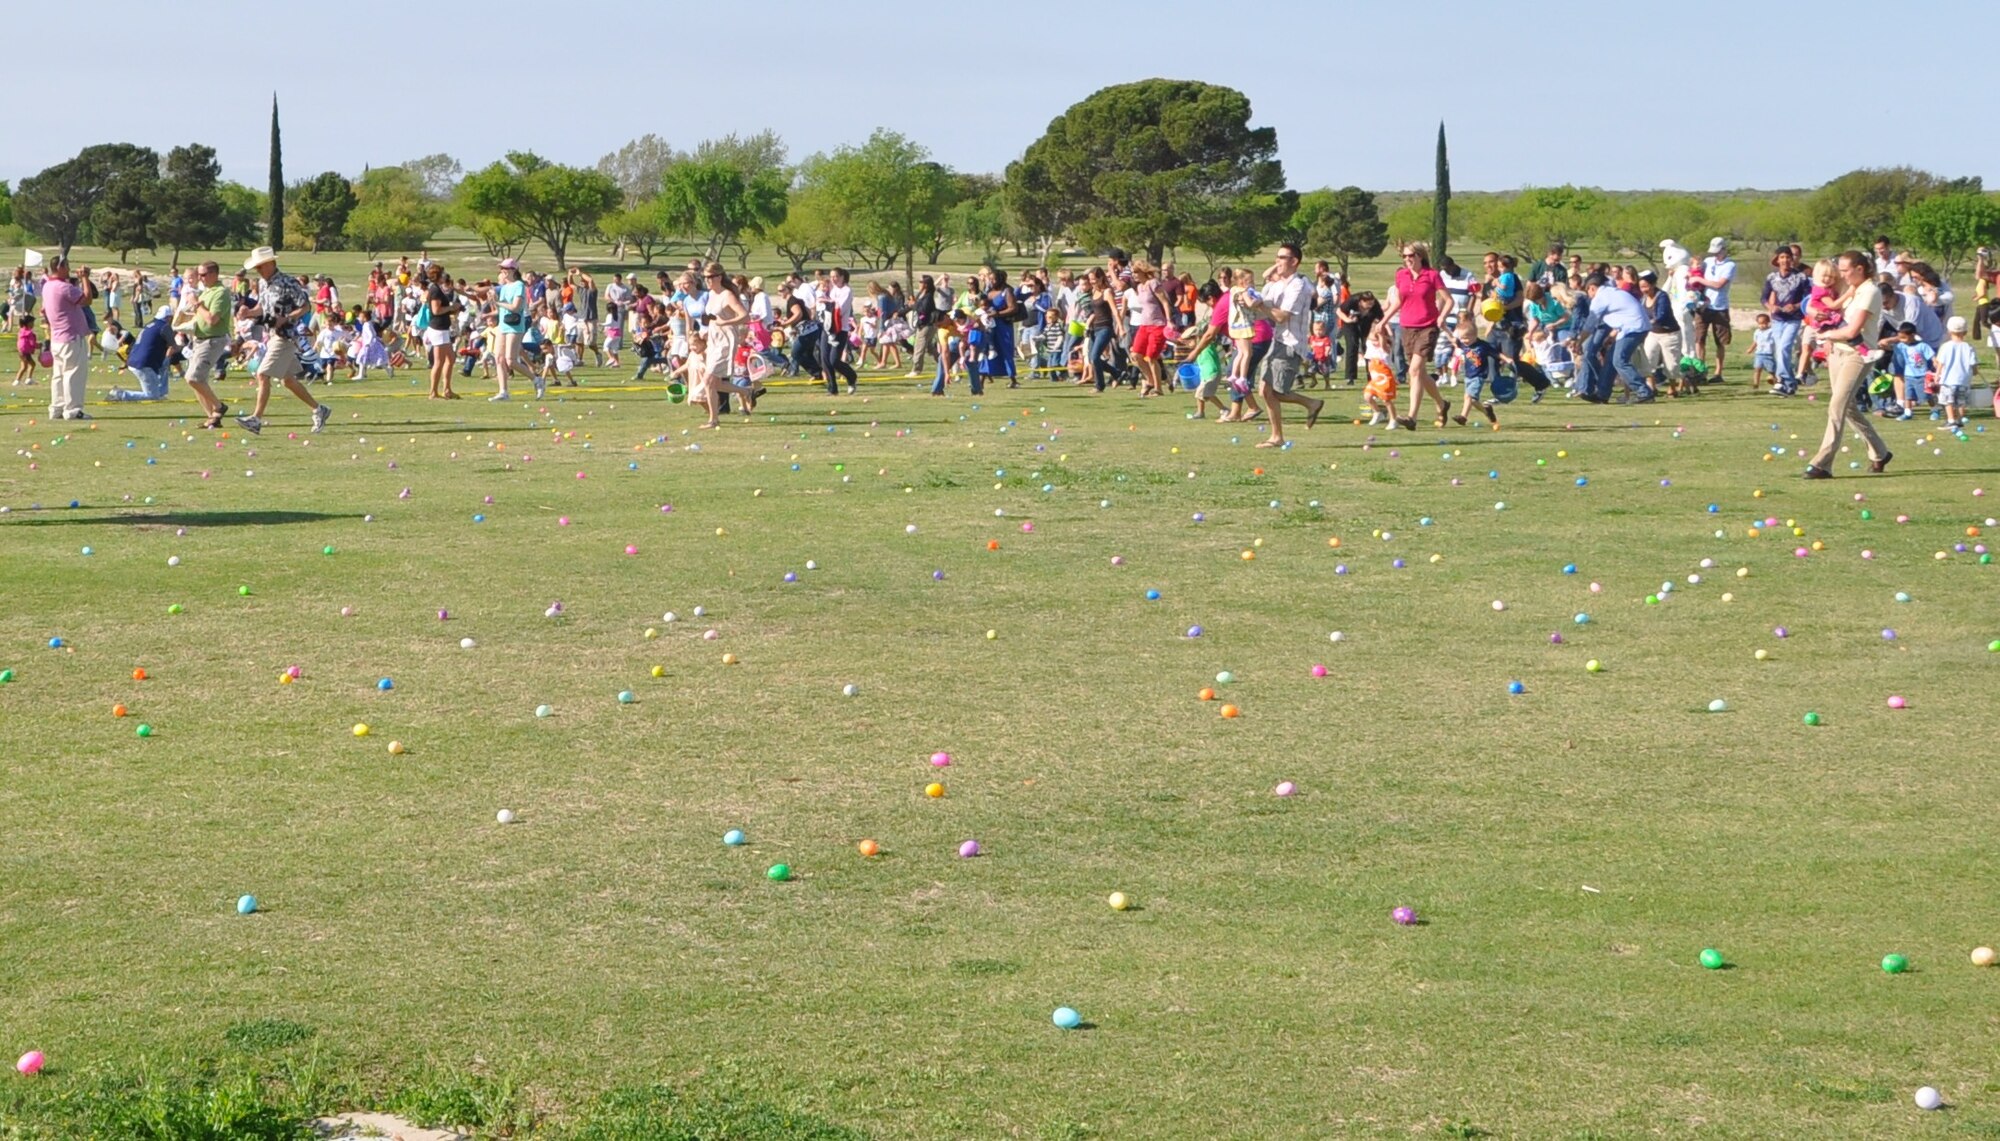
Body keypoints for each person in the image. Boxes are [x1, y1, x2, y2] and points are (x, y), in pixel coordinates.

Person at [1804, 250, 1893, 479]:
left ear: (1859, 269)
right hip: (1837, 353)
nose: (1841, 275)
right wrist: (1818, 316)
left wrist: (1828, 335)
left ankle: (1822, 463)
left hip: (1857, 354)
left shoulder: (1870, 292)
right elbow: (1815, 306)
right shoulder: (1848, 289)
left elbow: (1854, 330)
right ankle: (1879, 452)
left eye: (1845, 270)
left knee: (1836, 406)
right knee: (1848, 407)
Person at [234, 247, 330, 434]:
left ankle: (256, 419)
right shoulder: (263, 283)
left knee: (262, 374)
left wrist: (286, 318)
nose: (259, 270)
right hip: (271, 334)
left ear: (271, 263)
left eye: (261, 266)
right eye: (257, 268)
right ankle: (319, 409)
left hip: (286, 336)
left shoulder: (288, 282)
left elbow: (304, 307)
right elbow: (262, 308)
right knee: (288, 381)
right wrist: (248, 313)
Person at [1377, 241, 1454, 430]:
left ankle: (1412, 417)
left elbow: (1449, 300)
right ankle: (1442, 404)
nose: (1407, 260)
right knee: (1420, 373)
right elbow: (1398, 302)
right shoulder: (1401, 275)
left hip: (1428, 327)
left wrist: (1441, 317)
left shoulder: (1432, 275)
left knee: (1414, 371)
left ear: (1420, 256)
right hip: (1407, 327)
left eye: (1410, 256)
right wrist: (1383, 321)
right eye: (1404, 256)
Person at [172, 261, 232, 427]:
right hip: (199, 339)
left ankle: (219, 407)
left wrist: (197, 304)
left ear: (214, 274)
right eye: (199, 274)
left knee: (193, 378)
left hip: (212, 340)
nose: (200, 278)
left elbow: (212, 319)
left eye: (203, 274)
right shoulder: (206, 292)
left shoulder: (220, 293)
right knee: (197, 381)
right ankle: (212, 418)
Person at [39, 257, 96, 420]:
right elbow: (87, 299)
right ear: (60, 267)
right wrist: (85, 278)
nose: (69, 269)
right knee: (74, 374)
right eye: (67, 266)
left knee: (59, 375)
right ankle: (72, 410)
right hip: (71, 337)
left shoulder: (47, 286)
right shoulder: (65, 288)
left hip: (57, 338)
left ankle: (57, 407)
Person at [1582, 273, 1652, 403]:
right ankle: (1602, 395)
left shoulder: (1600, 298)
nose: (1588, 295)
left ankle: (1644, 391)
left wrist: (1578, 341)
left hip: (1633, 328)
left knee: (1620, 361)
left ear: (1592, 288)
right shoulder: (1612, 293)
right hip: (1633, 327)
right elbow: (1621, 314)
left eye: (1588, 291)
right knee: (1610, 360)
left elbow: (1590, 324)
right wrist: (1611, 335)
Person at [1762, 248, 1809, 393]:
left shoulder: (1801, 277)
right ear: (1777, 260)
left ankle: (1781, 380)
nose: (1785, 260)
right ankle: (1790, 383)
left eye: (1788, 257)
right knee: (1780, 350)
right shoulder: (1772, 277)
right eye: (1782, 257)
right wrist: (1771, 306)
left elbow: (1808, 298)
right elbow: (1763, 297)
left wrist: (1795, 306)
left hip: (1793, 319)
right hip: (1777, 318)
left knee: (1784, 347)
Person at [1690, 237, 1737, 377]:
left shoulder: (1730, 265)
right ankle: (1701, 370)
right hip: (1703, 306)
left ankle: (1718, 373)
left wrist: (1699, 280)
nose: (1715, 254)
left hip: (1720, 307)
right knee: (1699, 339)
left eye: (1718, 251)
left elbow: (1718, 284)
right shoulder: (1708, 262)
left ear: (1724, 249)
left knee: (1720, 341)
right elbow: (1695, 270)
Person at [109, 305, 173, 400]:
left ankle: (161, 394)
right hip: (142, 365)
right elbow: (173, 347)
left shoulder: (150, 324)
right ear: (169, 317)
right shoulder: (164, 327)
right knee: (152, 395)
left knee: (163, 369)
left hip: (134, 360)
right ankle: (120, 394)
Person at [1448, 321, 1500, 428]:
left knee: (1469, 397)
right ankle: (1487, 412)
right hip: (1468, 376)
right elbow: (1453, 340)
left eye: (1466, 338)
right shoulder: (1463, 345)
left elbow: (1496, 353)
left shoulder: (1483, 346)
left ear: (1475, 335)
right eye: (1462, 338)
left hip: (1479, 376)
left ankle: (1463, 417)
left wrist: (1507, 359)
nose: (1464, 341)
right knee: (1473, 401)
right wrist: (1444, 327)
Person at [422, 265, 461, 399]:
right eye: (443, 273)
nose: (445, 275)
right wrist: (451, 307)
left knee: (451, 358)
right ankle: (433, 392)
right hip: (438, 329)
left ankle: (447, 389)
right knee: (439, 361)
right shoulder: (435, 291)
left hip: (442, 328)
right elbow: (436, 310)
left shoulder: (437, 289)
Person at [1935, 315, 1978, 430]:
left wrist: (1937, 376)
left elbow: (1940, 363)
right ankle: (1959, 419)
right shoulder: (1969, 347)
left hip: (1948, 379)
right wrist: (1975, 372)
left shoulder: (1945, 346)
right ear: (1965, 332)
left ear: (1949, 331)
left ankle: (1951, 420)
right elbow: (1973, 363)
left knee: (1948, 401)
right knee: (1961, 401)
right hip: (1963, 379)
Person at [1750, 313, 1777, 390]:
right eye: (1760, 324)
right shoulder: (1757, 332)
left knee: (1771, 370)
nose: (1762, 325)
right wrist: (1751, 349)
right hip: (1759, 354)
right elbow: (1755, 342)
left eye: (1764, 323)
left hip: (1768, 354)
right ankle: (1756, 384)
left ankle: (1777, 382)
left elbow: (1775, 341)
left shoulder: (1771, 331)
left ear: (1768, 322)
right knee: (1757, 369)